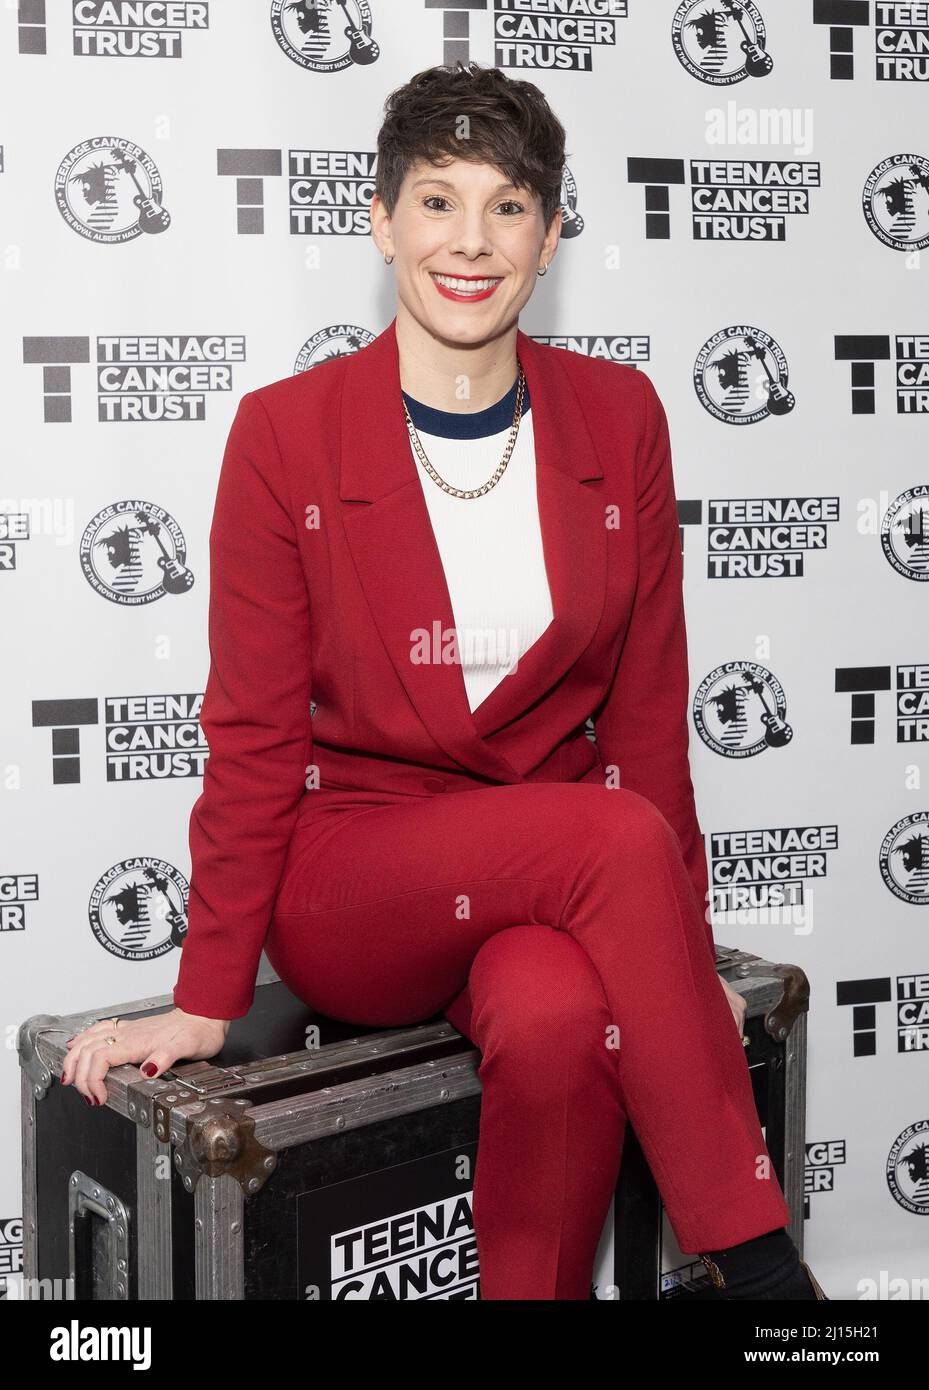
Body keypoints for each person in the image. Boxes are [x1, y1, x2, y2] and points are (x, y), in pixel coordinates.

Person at [61, 61, 828, 1302]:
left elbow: (645, 710)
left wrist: (671, 976)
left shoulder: (620, 415)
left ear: (550, 236)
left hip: (552, 874)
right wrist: (208, 995)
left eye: (507, 205)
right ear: (380, 222)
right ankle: (762, 1272)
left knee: (556, 1013)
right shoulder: (284, 434)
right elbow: (253, 730)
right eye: (435, 200)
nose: (469, 242)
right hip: (359, 878)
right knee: (608, 839)